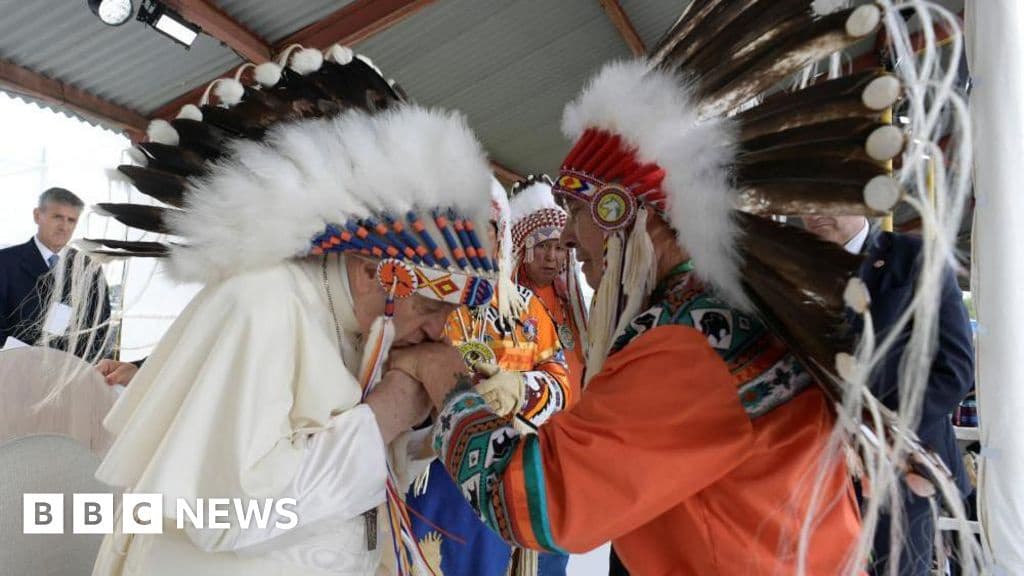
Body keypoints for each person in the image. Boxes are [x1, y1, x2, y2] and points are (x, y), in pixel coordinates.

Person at [387, 1, 971, 571]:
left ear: (631, 215)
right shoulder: (723, 310)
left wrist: (447, 378)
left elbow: (540, 503)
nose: (567, 242)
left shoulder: (693, 339)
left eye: (577, 212)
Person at [66, 44, 511, 576]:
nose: (442, 328)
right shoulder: (262, 304)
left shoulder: (359, 321)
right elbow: (224, 513)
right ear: (373, 269)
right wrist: (394, 403)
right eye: (432, 303)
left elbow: (347, 454)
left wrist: (431, 412)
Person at [406, 182, 572, 576]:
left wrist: (520, 391)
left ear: (502, 235)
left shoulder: (528, 309)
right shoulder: (422, 299)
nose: (474, 236)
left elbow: (560, 382)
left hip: (503, 474)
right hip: (431, 472)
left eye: (488, 226)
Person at [803, 214, 975, 576]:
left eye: (824, 198)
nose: (812, 211)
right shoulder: (794, 267)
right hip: (815, 468)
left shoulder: (915, 259)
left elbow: (953, 371)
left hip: (901, 469)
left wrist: (871, 433)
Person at [0, 187, 110, 358]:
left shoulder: (89, 268)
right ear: (37, 215)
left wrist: (79, 367)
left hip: (69, 372)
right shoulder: (5, 262)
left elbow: (99, 326)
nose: (64, 227)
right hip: (13, 369)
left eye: (71, 220)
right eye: (57, 217)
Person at [509, 175, 587, 393]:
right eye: (542, 246)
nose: (551, 257)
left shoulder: (571, 304)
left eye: (560, 248)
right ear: (524, 250)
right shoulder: (509, 303)